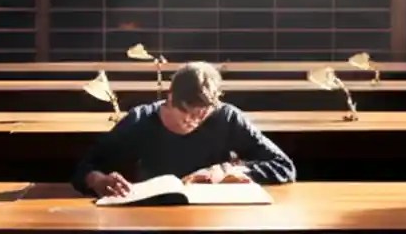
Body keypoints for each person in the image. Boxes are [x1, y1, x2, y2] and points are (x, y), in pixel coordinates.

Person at [71, 61, 296, 197]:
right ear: (171, 97)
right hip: (152, 215)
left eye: (201, 115)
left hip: (215, 216)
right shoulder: (140, 119)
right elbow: (84, 167)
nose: (192, 121)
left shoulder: (227, 117)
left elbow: (284, 167)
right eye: (185, 112)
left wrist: (227, 172)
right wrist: (98, 180)